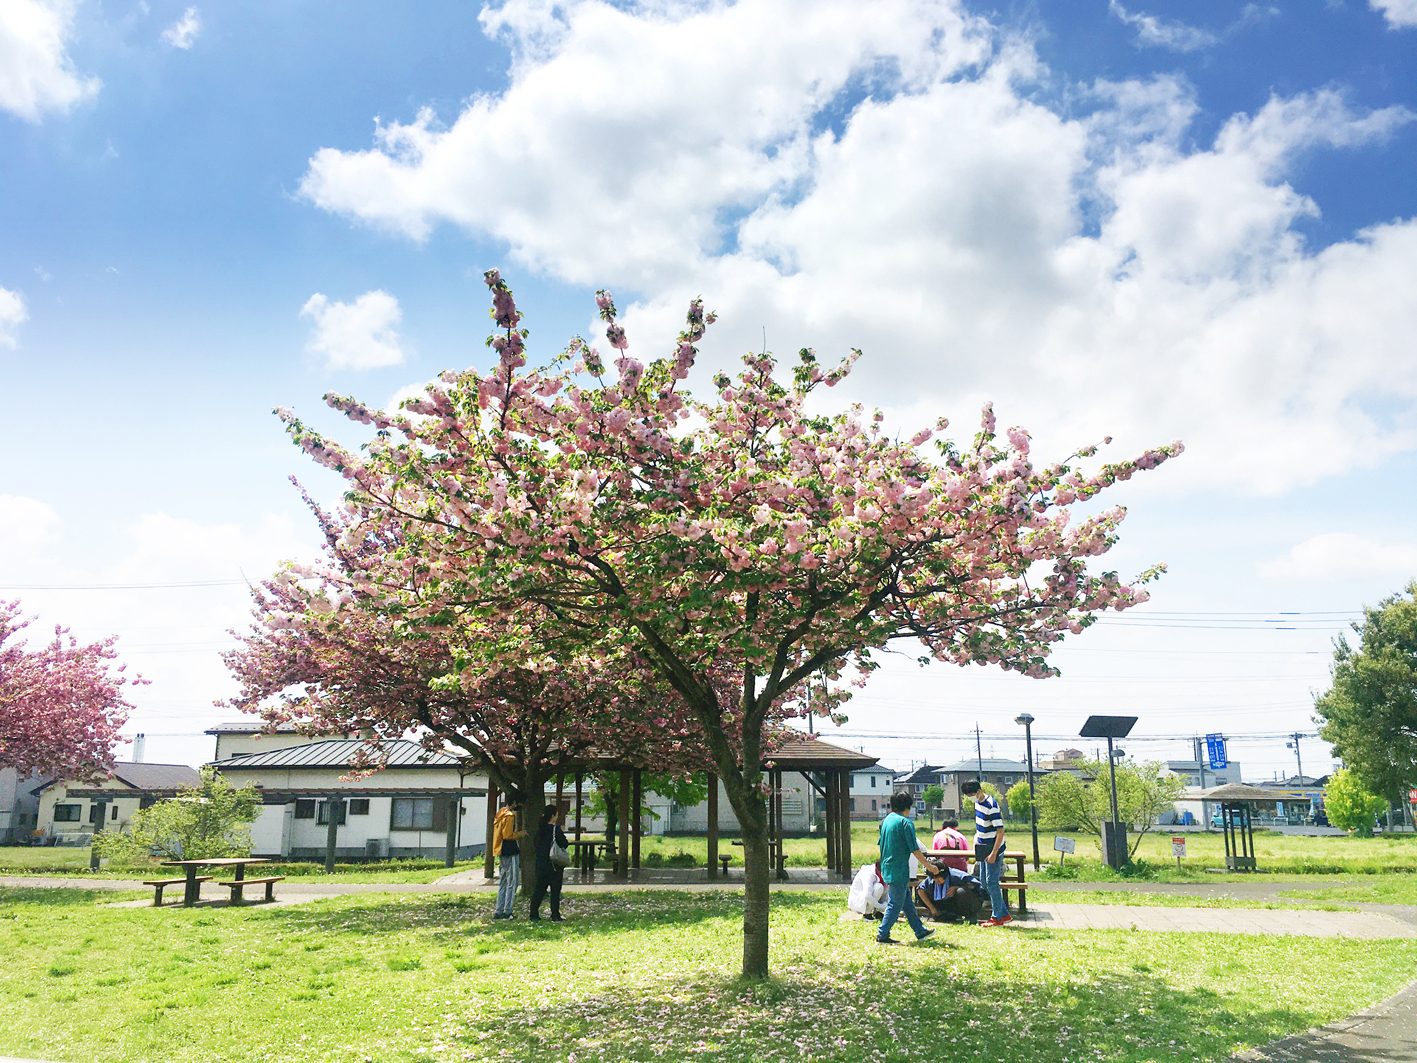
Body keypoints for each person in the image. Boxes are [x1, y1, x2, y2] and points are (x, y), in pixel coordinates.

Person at [874, 791, 936, 945]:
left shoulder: (887, 820)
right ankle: (882, 934)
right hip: (899, 869)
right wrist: (929, 866)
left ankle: (920, 931)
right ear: (908, 806)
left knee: (907, 901)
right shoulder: (905, 823)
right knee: (895, 903)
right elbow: (915, 849)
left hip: (887, 866)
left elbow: (881, 843)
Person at [962, 779, 1010, 926]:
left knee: (991, 882)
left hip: (993, 848)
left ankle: (997, 917)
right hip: (982, 846)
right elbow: (980, 825)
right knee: (983, 881)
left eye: (971, 795)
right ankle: (1003, 914)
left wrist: (994, 853)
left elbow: (1000, 831)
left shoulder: (991, 806)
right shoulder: (977, 803)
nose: (970, 798)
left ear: (978, 791)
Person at [530, 804, 569, 922]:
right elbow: (564, 843)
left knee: (539, 890)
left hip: (541, 864)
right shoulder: (555, 830)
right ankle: (555, 914)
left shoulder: (539, 830)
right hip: (554, 865)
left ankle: (533, 913)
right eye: (556, 814)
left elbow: (535, 845)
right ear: (552, 816)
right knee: (555, 891)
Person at [491, 795, 526, 920]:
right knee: (513, 882)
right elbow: (507, 835)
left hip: (501, 850)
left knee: (503, 881)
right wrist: (520, 834)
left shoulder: (500, 813)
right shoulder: (509, 816)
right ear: (514, 802)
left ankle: (498, 910)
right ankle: (507, 911)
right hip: (510, 850)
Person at [915, 863, 985, 924]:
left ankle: (970, 916)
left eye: (938, 878)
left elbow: (975, 885)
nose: (936, 880)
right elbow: (920, 890)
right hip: (948, 903)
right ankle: (945, 914)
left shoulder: (956, 875)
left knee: (961, 891)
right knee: (921, 896)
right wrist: (932, 908)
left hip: (970, 902)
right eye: (934, 878)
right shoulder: (931, 879)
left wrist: (957, 887)